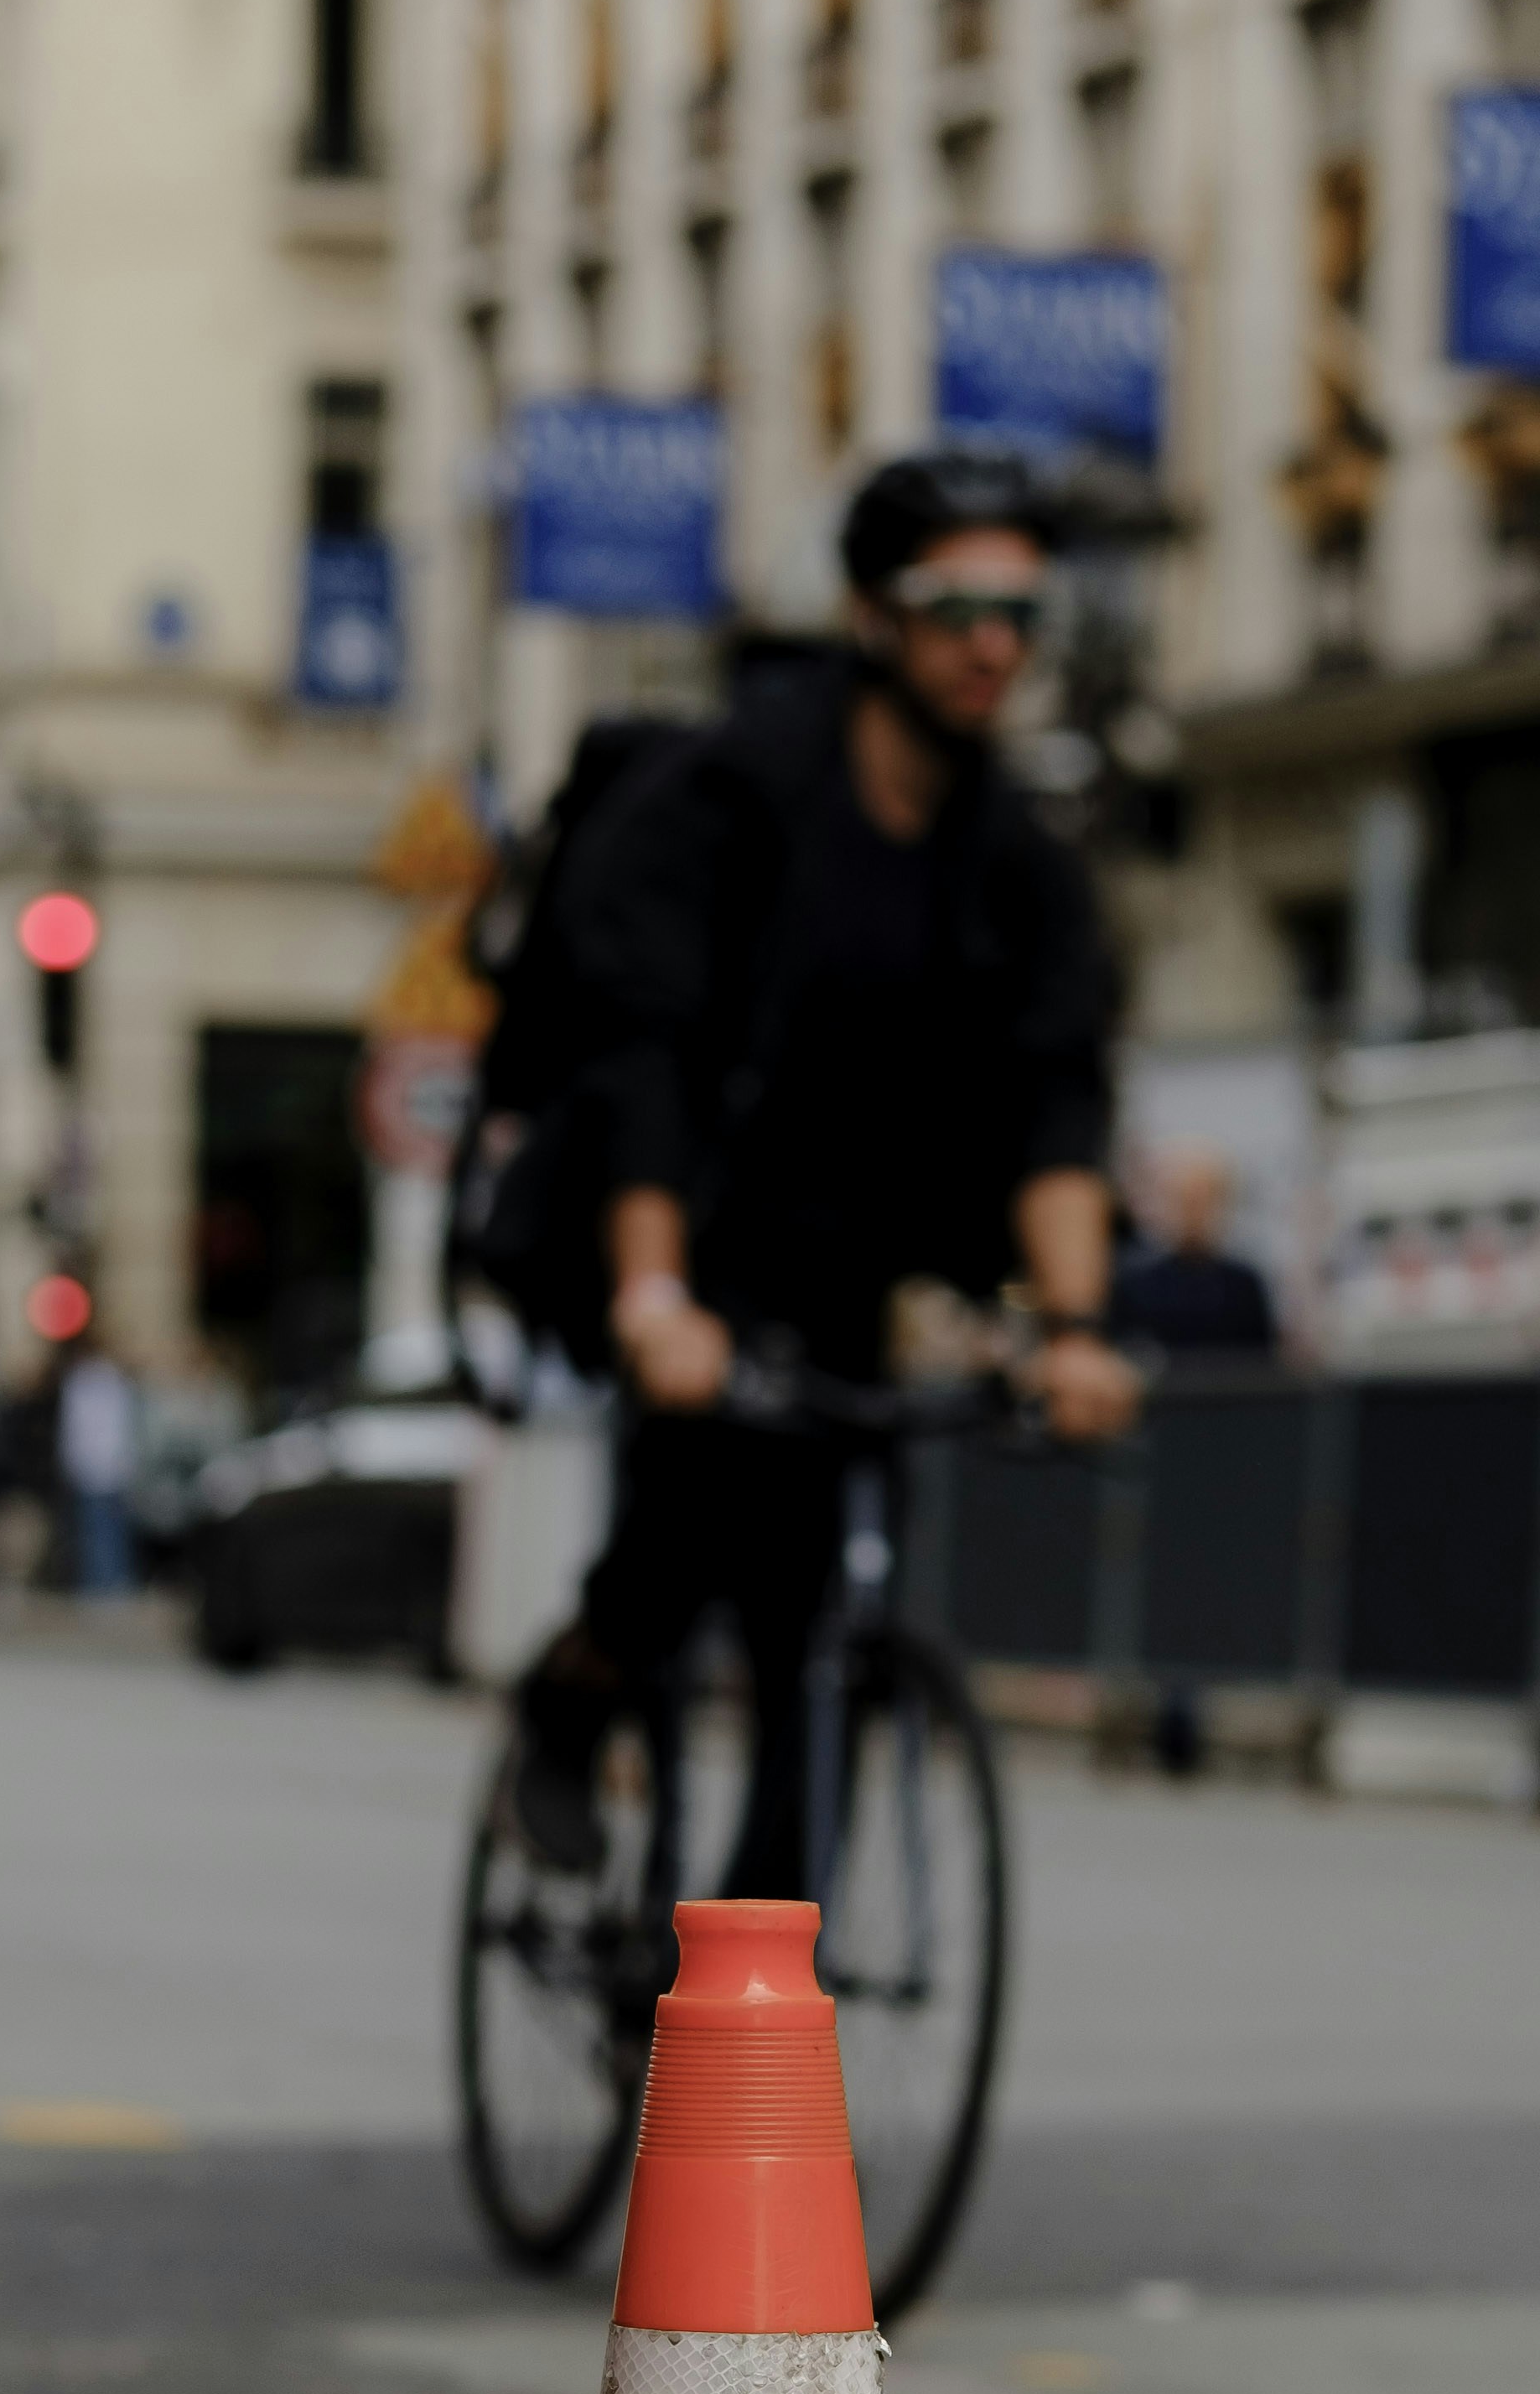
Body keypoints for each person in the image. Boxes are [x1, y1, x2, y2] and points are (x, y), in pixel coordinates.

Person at [515, 445, 1137, 1893]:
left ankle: (742, 2026)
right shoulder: (732, 798)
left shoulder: (1016, 859)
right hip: (694, 1246)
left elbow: (1058, 1096)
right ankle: (577, 1689)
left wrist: (1078, 1329)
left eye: (1023, 618)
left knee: (825, 1644)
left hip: (859, 1273)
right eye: (957, 608)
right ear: (872, 615)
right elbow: (645, 1062)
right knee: (674, 1547)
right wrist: (657, 1294)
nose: (995, 648)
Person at [1112, 1152, 1280, 1358]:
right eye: (1183, 1200)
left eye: (1202, 1200)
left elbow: (1263, 1364)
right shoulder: (1135, 1285)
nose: (1193, 1212)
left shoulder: (1245, 1286)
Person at [58, 1328, 139, 1597]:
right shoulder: (95, 1381)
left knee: (106, 1529)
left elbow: (78, 1427)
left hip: (103, 1462)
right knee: (98, 1529)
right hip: (98, 1463)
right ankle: (101, 1581)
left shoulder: (97, 1381)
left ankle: (109, 1581)